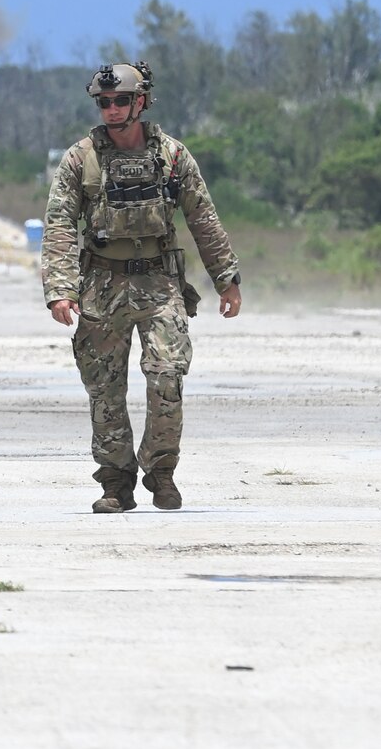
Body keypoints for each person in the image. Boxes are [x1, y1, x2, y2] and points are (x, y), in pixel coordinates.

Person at [42, 60, 241, 512]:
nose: (112, 109)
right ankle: (115, 482)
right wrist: (60, 288)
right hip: (101, 286)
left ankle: (162, 470)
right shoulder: (80, 159)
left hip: (159, 284)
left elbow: (203, 219)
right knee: (104, 390)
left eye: (121, 101)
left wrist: (226, 278)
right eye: (104, 102)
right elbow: (58, 226)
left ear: (142, 101)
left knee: (167, 375)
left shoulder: (171, 156)